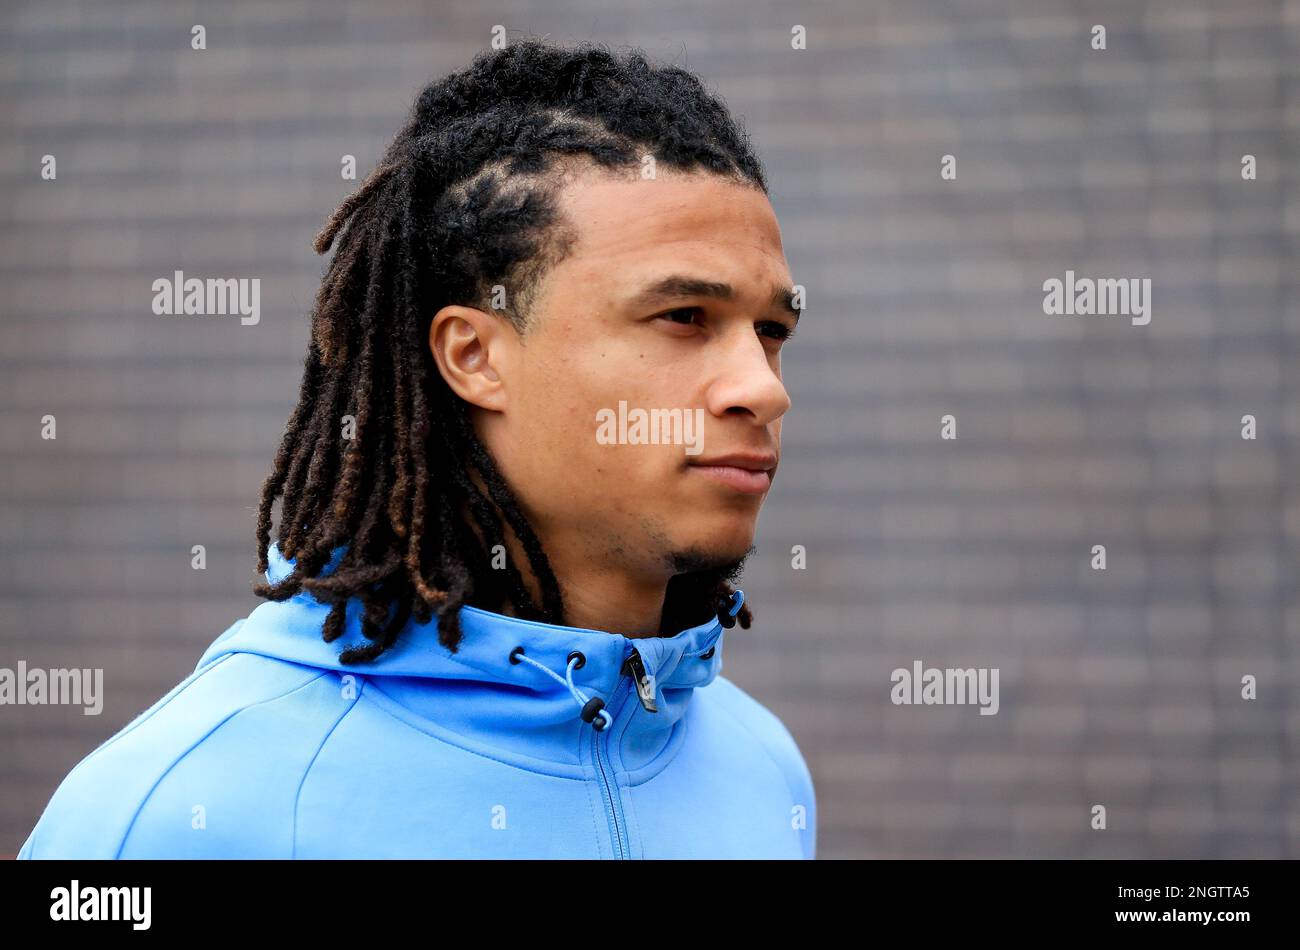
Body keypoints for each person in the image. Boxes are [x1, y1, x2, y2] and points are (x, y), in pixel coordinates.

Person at [19, 38, 815, 859]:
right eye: (685, 317)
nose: (762, 388)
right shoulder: (184, 812)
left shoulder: (761, 770)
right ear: (474, 355)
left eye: (772, 332)